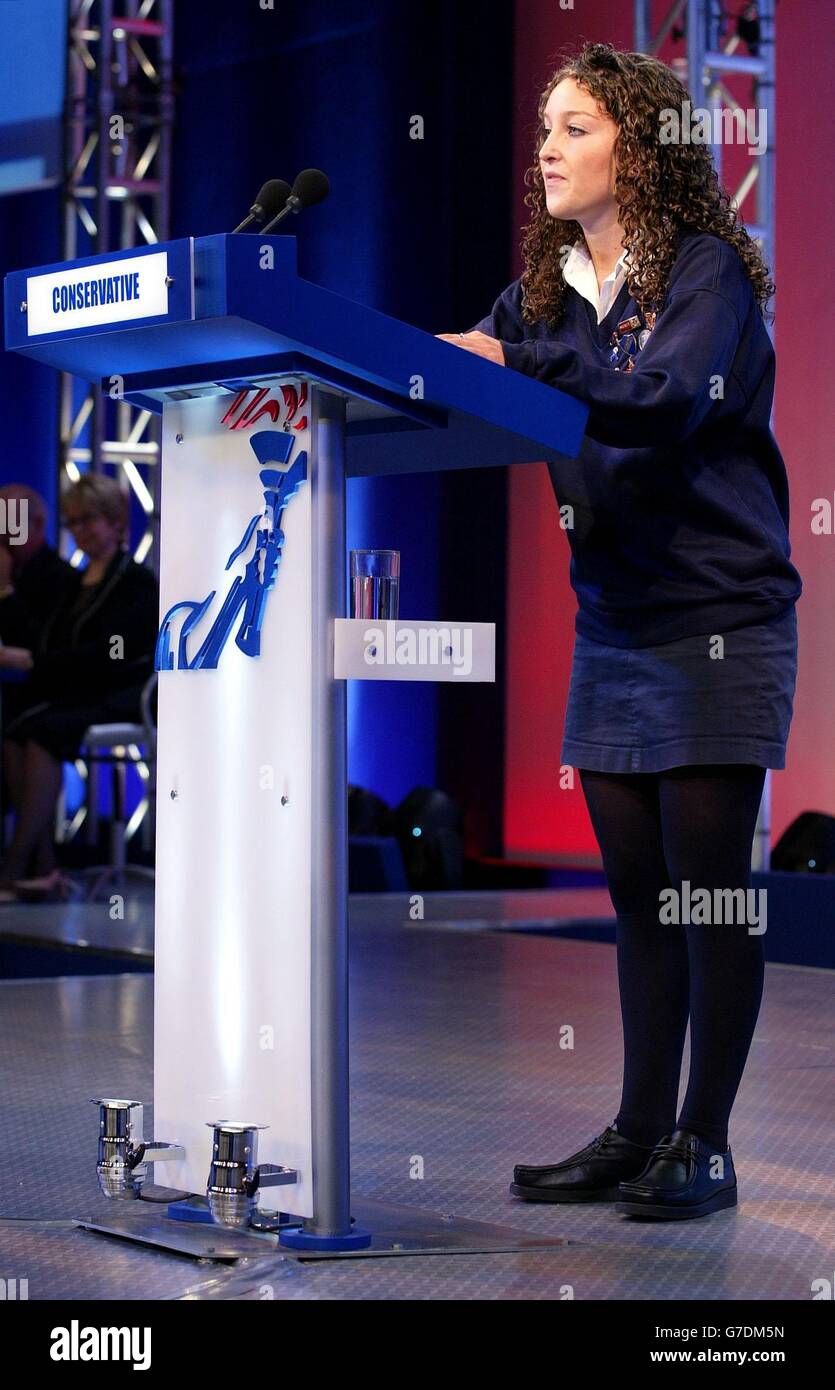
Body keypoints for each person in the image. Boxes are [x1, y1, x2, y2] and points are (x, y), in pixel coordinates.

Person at [437, 43, 802, 1221]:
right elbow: (473, 369)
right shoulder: (542, 292)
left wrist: (515, 355)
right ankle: (640, 1127)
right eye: (543, 124)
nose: (545, 144)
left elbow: (661, 399)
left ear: (638, 149)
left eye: (576, 125)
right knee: (638, 894)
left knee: (707, 893)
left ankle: (704, 1141)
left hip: (715, 617)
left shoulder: (703, 272)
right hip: (615, 621)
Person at [0, 474, 159, 901]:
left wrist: (35, 661)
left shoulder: (136, 583)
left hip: (119, 694)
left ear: (114, 521)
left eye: (89, 520)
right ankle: (43, 865)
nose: (81, 531)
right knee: (16, 729)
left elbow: (114, 652)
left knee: (40, 730)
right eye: (73, 523)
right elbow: (49, 639)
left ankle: (15, 867)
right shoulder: (76, 582)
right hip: (79, 693)